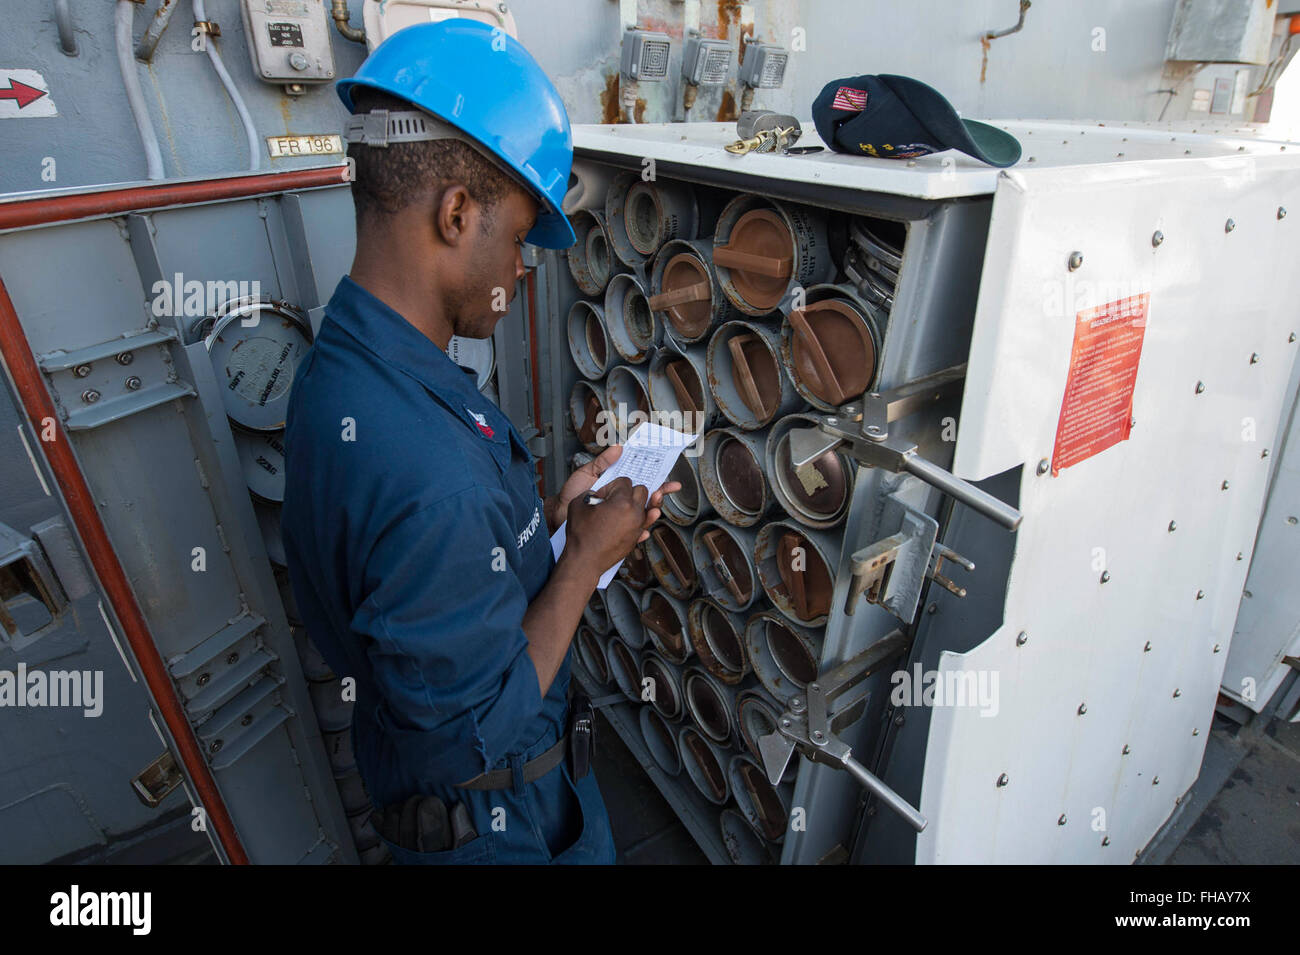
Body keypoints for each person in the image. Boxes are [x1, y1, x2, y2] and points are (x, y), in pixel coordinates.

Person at [281, 19, 676, 865]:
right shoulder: (426, 468)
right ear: (457, 213)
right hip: (496, 820)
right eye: (522, 231)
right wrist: (581, 563)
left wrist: (556, 520)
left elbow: (432, 574)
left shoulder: (344, 368)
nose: (525, 265)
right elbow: (472, 732)